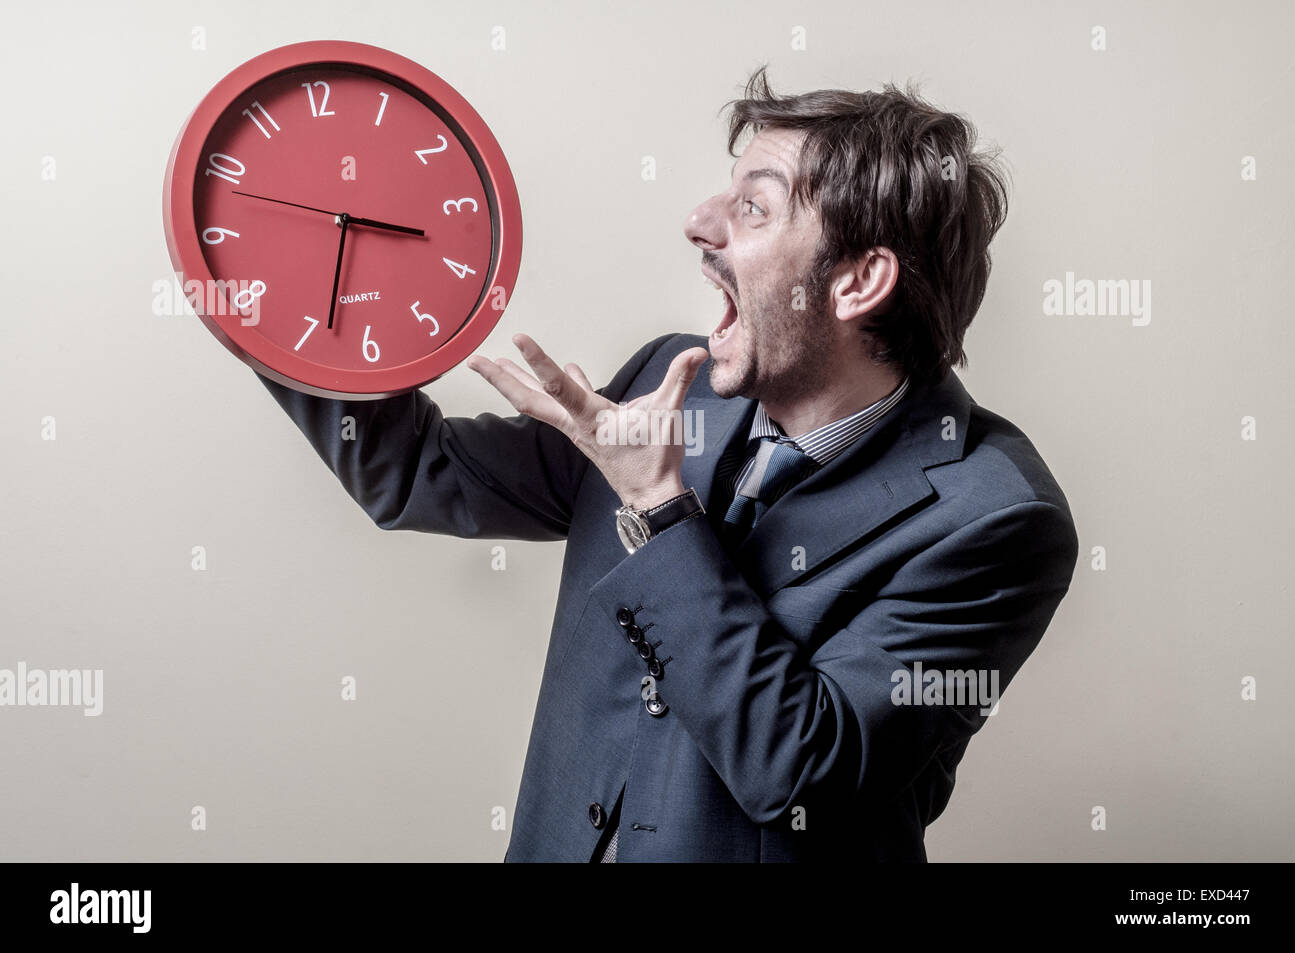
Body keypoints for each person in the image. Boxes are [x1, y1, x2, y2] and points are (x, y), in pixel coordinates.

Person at [254, 66, 1079, 862]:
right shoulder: (671, 382)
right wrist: (279, 294)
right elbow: (412, 470)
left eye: (753, 207)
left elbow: (804, 768)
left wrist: (657, 501)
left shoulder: (994, 517)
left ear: (860, 280)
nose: (700, 220)